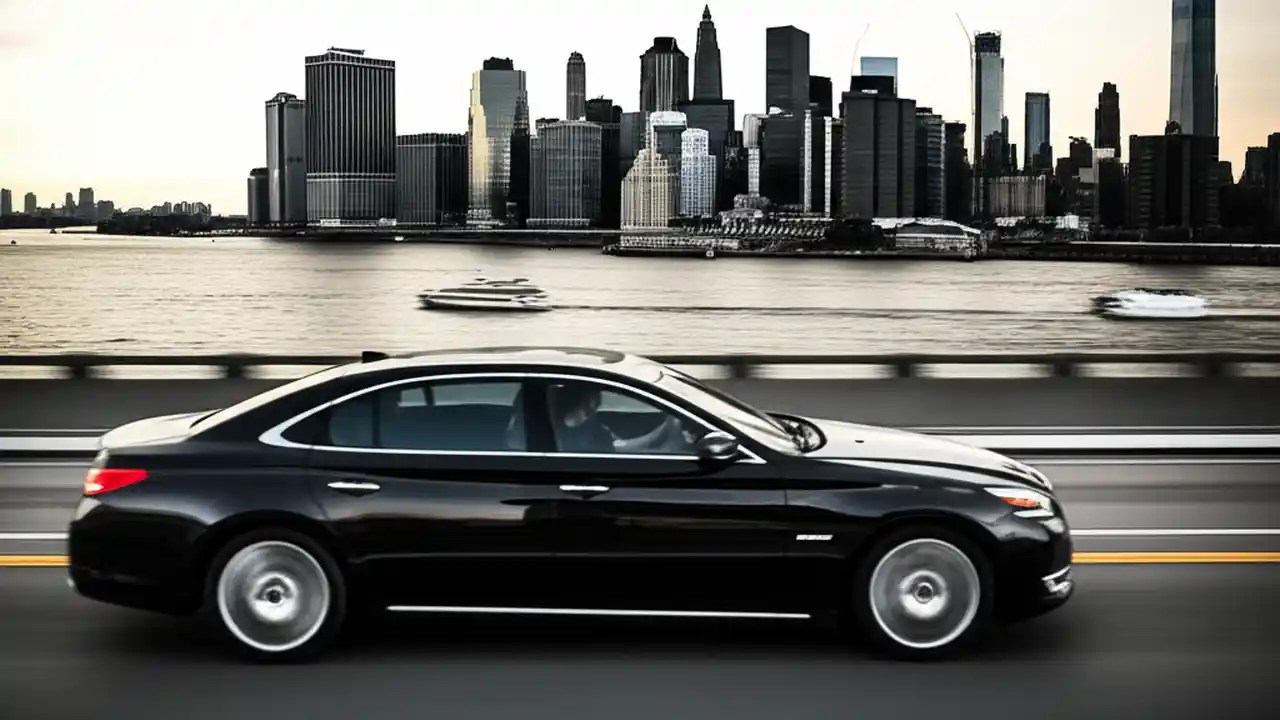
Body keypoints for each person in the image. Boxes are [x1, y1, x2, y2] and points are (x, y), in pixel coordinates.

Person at [551, 382, 696, 454]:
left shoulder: (590, 429)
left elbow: (619, 448)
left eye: (595, 402)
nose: (593, 409)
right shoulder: (569, 440)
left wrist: (668, 428)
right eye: (589, 402)